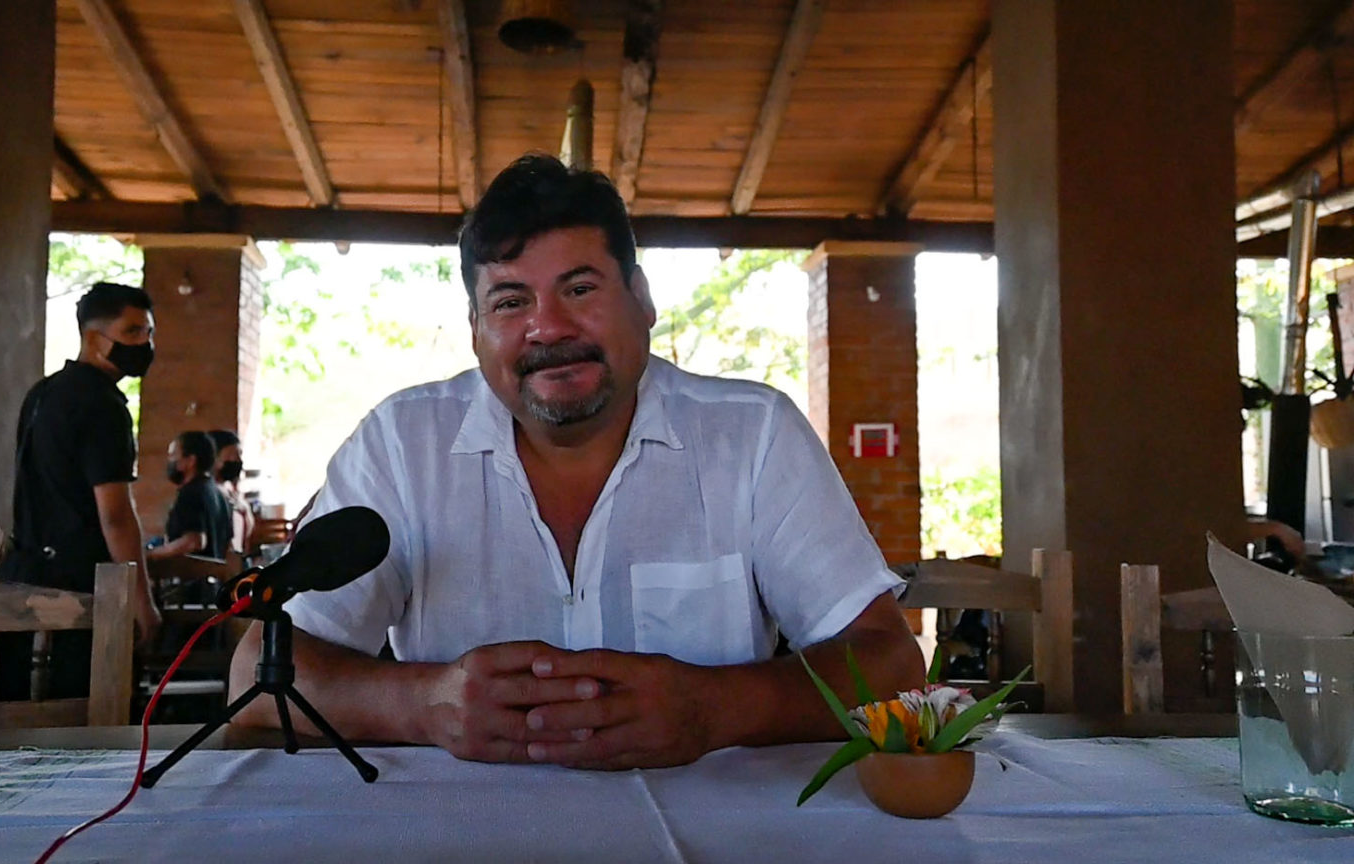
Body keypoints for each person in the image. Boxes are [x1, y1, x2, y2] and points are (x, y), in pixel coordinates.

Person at [229, 154, 923, 769]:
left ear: (642, 300)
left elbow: (892, 665)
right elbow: (252, 683)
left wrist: (716, 706)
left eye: (581, 288)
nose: (549, 327)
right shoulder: (401, 447)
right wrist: (422, 704)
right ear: (476, 331)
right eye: (510, 301)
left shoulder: (753, 436)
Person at [1, 281, 164, 700]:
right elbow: (114, 514)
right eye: (132, 333)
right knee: (85, 719)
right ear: (95, 337)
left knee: (21, 711)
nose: (145, 344)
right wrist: (140, 600)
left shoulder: (43, 394)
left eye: (148, 333)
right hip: (80, 589)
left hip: (23, 577)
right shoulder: (102, 405)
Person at [148, 430, 233, 562]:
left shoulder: (191, 493)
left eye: (173, 455)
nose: (169, 460)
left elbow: (194, 541)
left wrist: (153, 554)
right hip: (215, 580)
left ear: (191, 461)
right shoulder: (218, 494)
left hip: (193, 580)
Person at [208, 429, 254, 556]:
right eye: (233, 456)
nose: (239, 461)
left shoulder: (229, 488)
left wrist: (244, 509)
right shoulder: (209, 493)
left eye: (240, 455)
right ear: (215, 459)